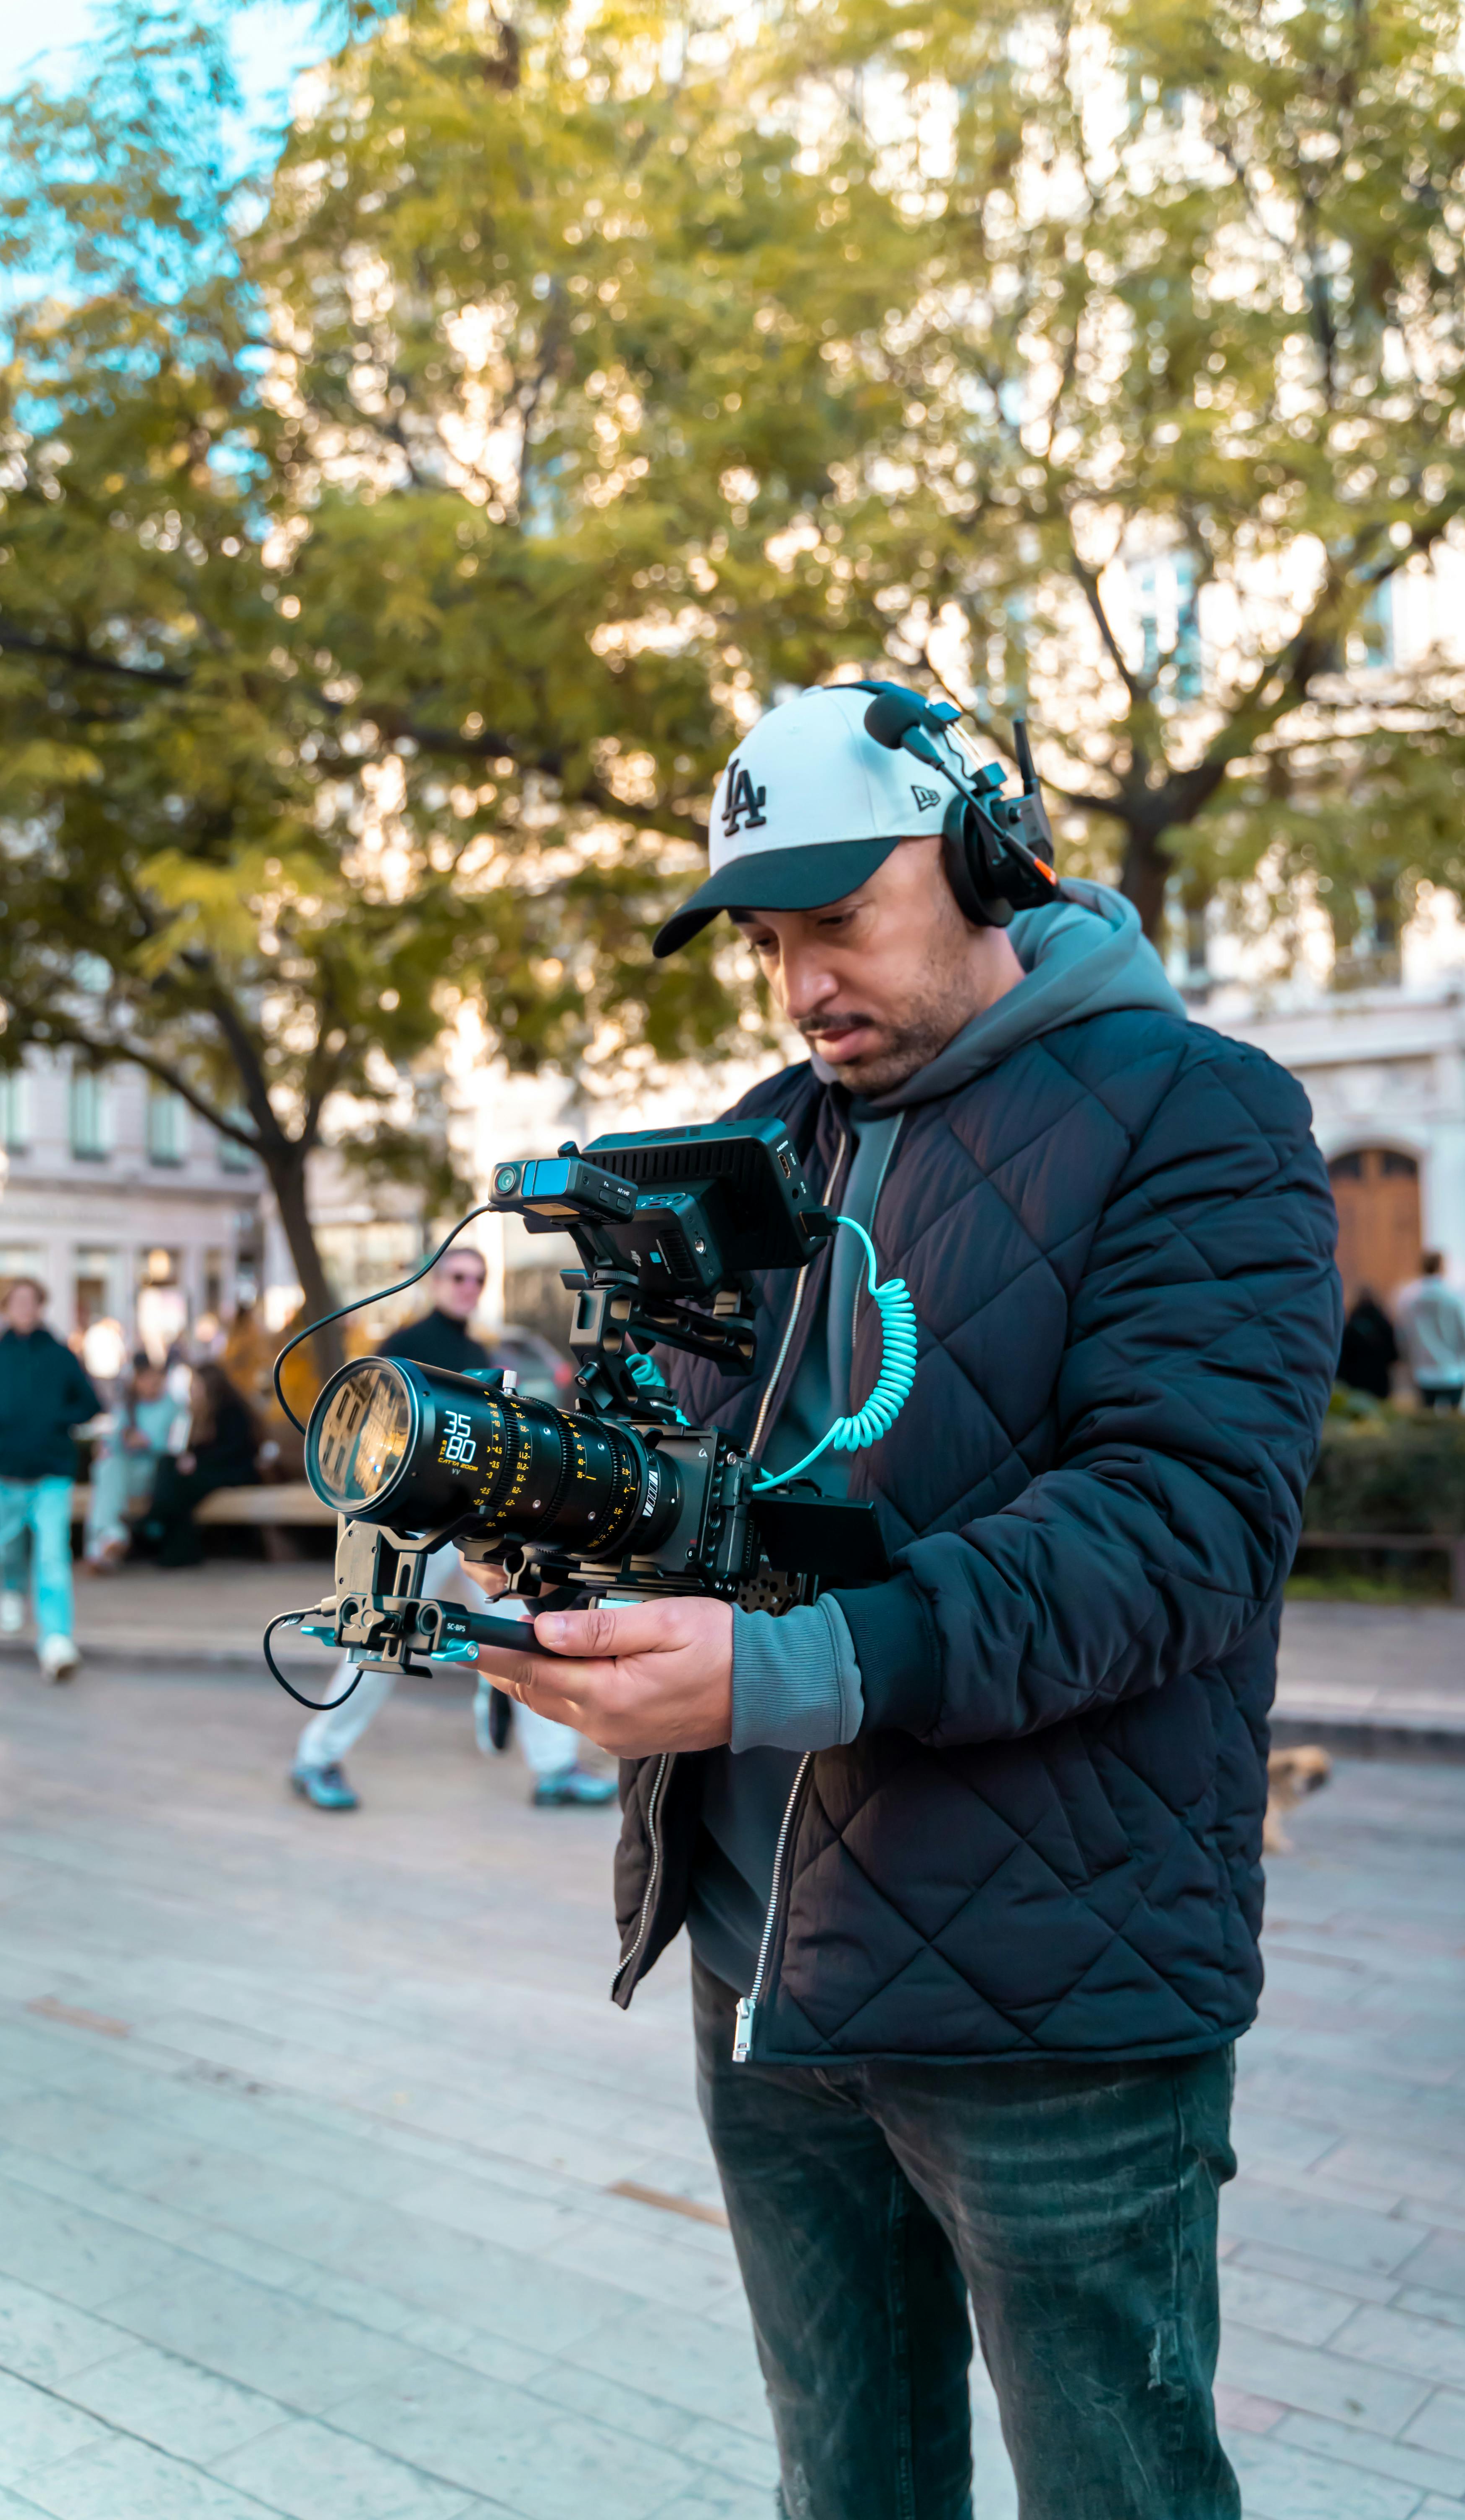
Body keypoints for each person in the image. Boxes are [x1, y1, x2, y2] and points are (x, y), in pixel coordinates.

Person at [474, 683, 1342, 2520]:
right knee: (844, 2485)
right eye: (767, 941)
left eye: (835, 921)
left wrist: (788, 1664)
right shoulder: (768, 1135)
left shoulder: (1199, 1114)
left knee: (1116, 2490)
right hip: (759, 1963)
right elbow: (701, 1473)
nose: (797, 985)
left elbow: (1175, 1529)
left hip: (1056, 1998)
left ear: (983, 861)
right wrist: (556, 1530)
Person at [289, 1246, 610, 1813]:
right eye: (459, 1276)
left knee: (530, 1631)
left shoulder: (479, 1352)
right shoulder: (405, 1348)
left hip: (474, 1532)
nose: (469, 1286)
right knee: (379, 1637)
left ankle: (556, 1766)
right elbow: (362, 1433)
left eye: (478, 1278)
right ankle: (317, 1758)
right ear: (437, 1282)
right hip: (410, 1532)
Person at [0, 1277, 102, 1681]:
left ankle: (57, 1640)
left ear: (40, 1305)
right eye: (17, 1302)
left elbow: (90, 1403)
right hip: (7, 1469)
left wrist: (56, 1421)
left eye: (31, 1301)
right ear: (6, 1308)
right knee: (7, 1542)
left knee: (52, 1556)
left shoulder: (62, 1355)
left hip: (52, 1471)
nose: (25, 1308)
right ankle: (11, 1589)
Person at [139, 1362, 260, 1566]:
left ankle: (157, 1522)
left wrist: (197, 1461)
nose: (192, 1390)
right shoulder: (199, 1413)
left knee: (178, 1487)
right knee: (169, 1466)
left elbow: (236, 1452)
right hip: (212, 1471)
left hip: (235, 1473)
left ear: (209, 1386)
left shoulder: (231, 1411)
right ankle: (170, 1539)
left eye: (196, 1385)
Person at [84, 1357, 187, 1570]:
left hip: (157, 1473)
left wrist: (148, 1443)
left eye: (155, 1378)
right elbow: (111, 1441)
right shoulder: (128, 1407)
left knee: (109, 1475)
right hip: (125, 1470)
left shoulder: (176, 1408)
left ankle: (104, 1542)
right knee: (108, 1466)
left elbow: (177, 1448)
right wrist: (121, 1441)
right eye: (145, 1379)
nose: (151, 1383)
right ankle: (109, 1539)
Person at [1393, 1249, 1465, 1410]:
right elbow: (1464, 1333)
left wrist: (1407, 1362)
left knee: (1428, 1423)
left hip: (1423, 1372)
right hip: (1453, 1372)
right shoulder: (1453, 1296)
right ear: (1442, 1266)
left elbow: (1402, 1336)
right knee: (1454, 1424)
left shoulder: (1409, 1298)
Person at [1337, 1286, 1400, 1400]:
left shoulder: (1351, 1325)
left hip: (1355, 1385)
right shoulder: (1384, 1325)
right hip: (1380, 1383)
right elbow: (1394, 1355)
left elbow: (1342, 1358)